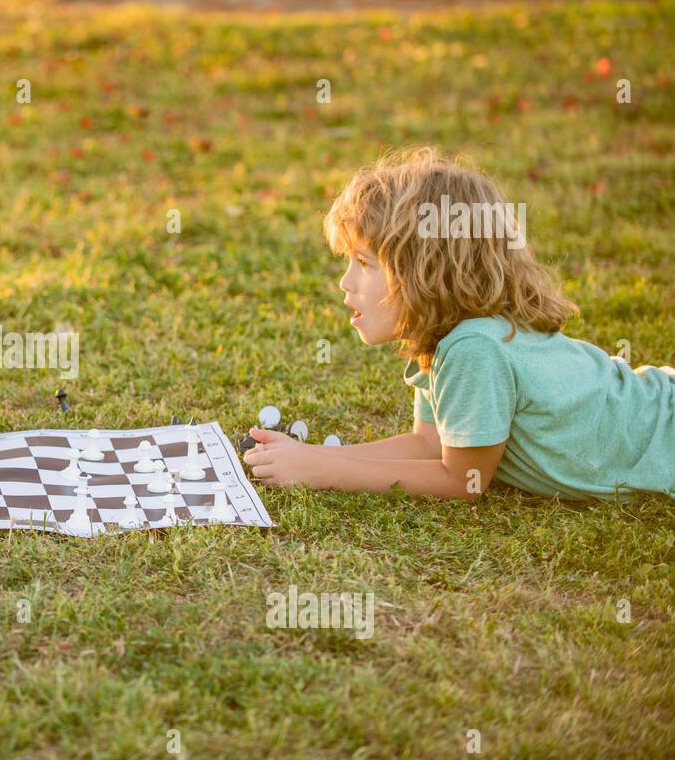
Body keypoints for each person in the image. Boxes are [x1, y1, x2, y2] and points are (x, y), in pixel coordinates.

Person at [243, 148, 674, 501]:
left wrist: (324, 469)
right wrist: (311, 455)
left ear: (424, 271)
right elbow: (430, 446)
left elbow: (461, 481)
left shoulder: (475, 347)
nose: (345, 282)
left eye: (363, 263)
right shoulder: (453, 336)